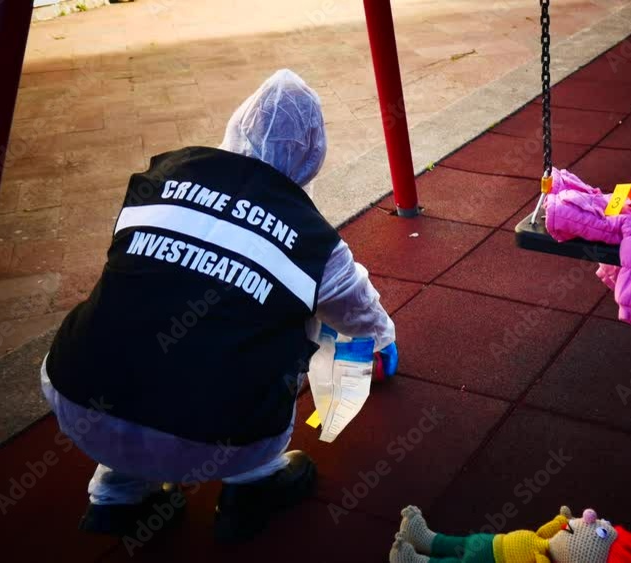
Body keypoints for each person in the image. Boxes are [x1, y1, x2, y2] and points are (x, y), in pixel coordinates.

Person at [40, 69, 398, 544]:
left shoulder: (162, 177)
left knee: (141, 305)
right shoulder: (314, 240)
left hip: (75, 392)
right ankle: (252, 483)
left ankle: (116, 494)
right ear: (313, 154)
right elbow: (361, 317)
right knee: (300, 314)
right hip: (224, 436)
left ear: (238, 125)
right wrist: (385, 344)